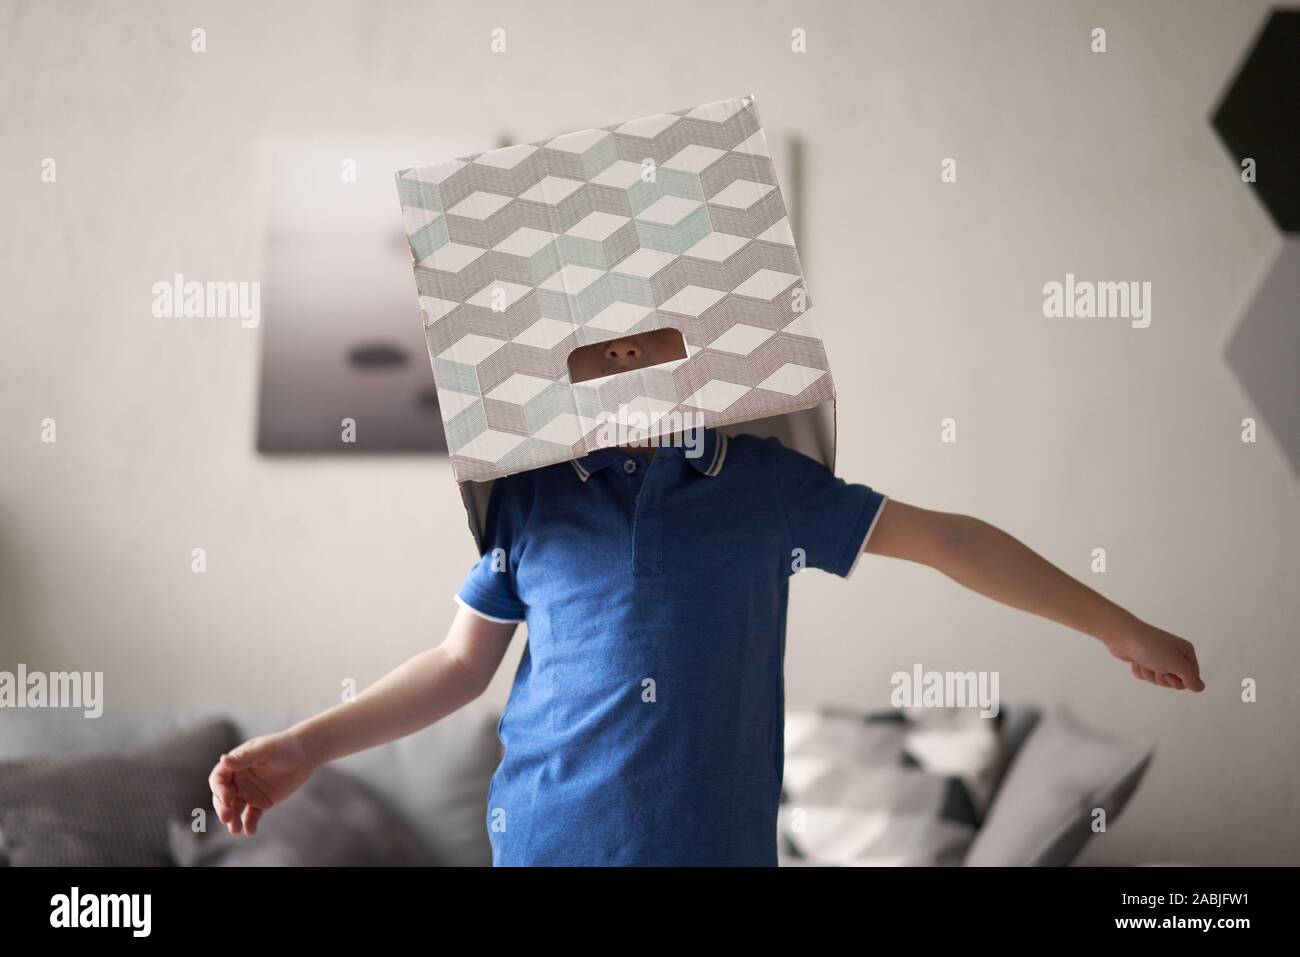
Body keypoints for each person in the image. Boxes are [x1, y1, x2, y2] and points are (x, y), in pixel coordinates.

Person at [208, 331, 1204, 866]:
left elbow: (946, 539)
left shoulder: (765, 487)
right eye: (596, 344)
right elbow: (457, 666)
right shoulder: (533, 498)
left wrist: (1121, 627)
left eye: (645, 336)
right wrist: (297, 748)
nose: (620, 359)